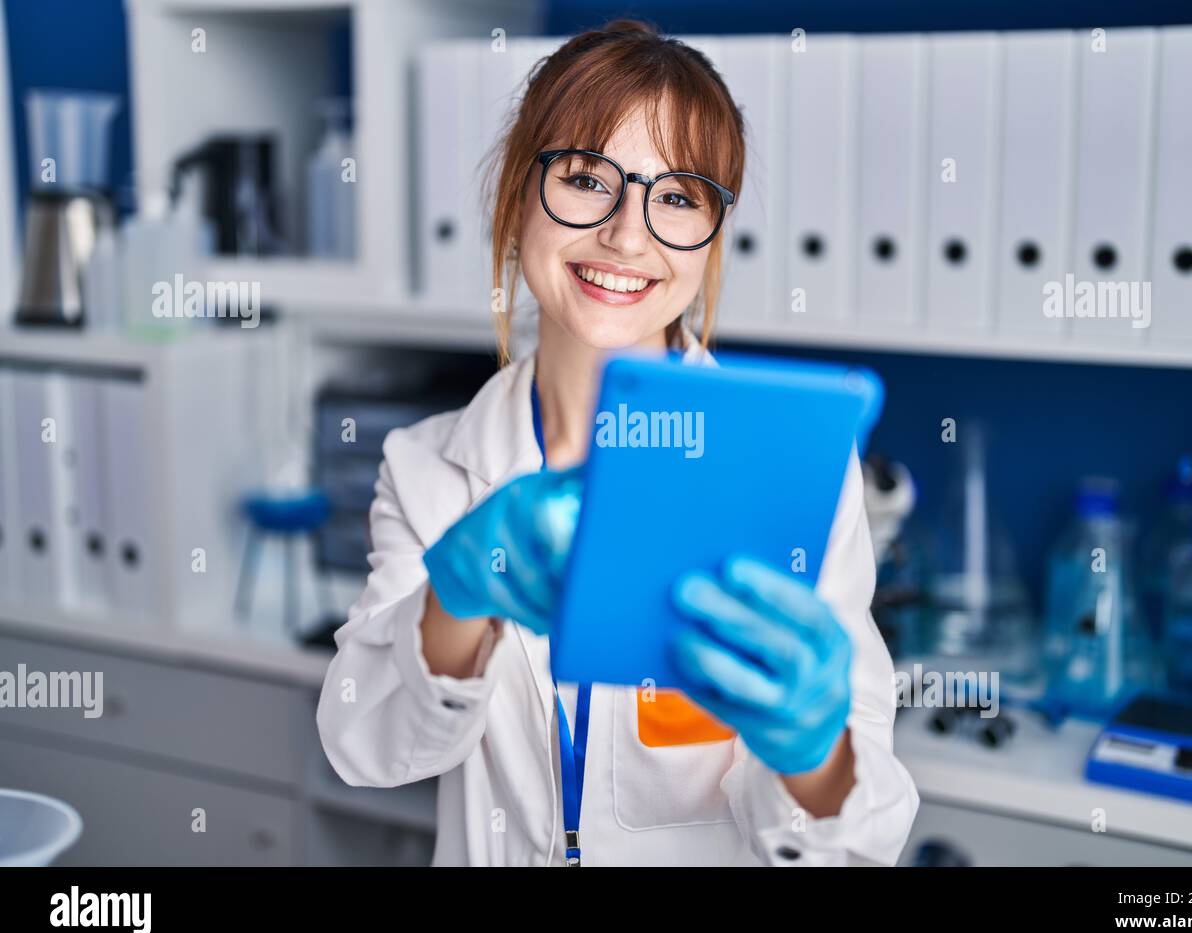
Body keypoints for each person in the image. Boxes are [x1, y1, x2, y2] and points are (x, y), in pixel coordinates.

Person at [317, 19, 918, 866]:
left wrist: (811, 749)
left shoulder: (783, 468)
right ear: (516, 201)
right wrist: (456, 597)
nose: (627, 236)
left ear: (712, 236)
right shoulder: (428, 471)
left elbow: (858, 843)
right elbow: (363, 744)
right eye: (586, 178)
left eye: (677, 197)